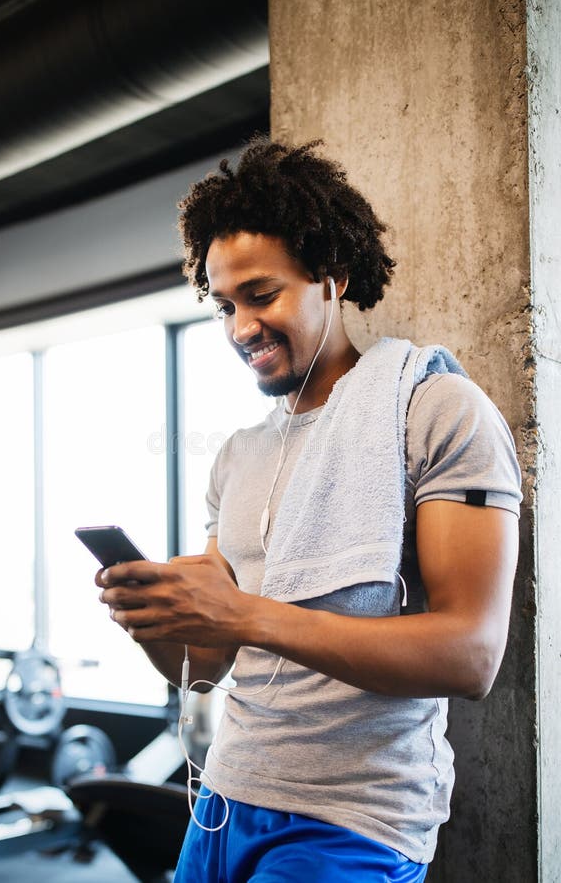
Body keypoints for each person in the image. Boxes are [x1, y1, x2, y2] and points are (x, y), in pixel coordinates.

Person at [96, 139, 522, 882]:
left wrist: (242, 614)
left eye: (261, 296)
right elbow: (205, 667)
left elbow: (471, 655)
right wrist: (154, 619)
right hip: (223, 803)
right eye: (225, 306)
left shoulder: (433, 409)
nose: (239, 328)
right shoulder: (238, 455)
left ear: (333, 276)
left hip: (351, 823)